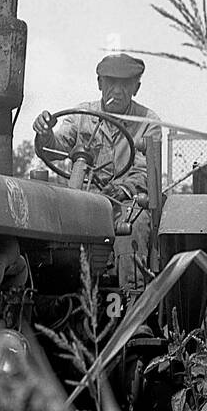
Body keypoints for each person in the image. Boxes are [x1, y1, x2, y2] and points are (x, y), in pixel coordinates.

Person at [33, 53, 162, 274]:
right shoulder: (81, 116)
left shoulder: (148, 123)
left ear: (136, 88)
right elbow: (56, 148)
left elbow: (144, 171)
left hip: (124, 204)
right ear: (100, 84)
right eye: (111, 83)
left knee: (134, 226)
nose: (117, 91)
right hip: (82, 201)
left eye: (125, 85)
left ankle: (133, 300)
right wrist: (45, 133)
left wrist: (122, 189)